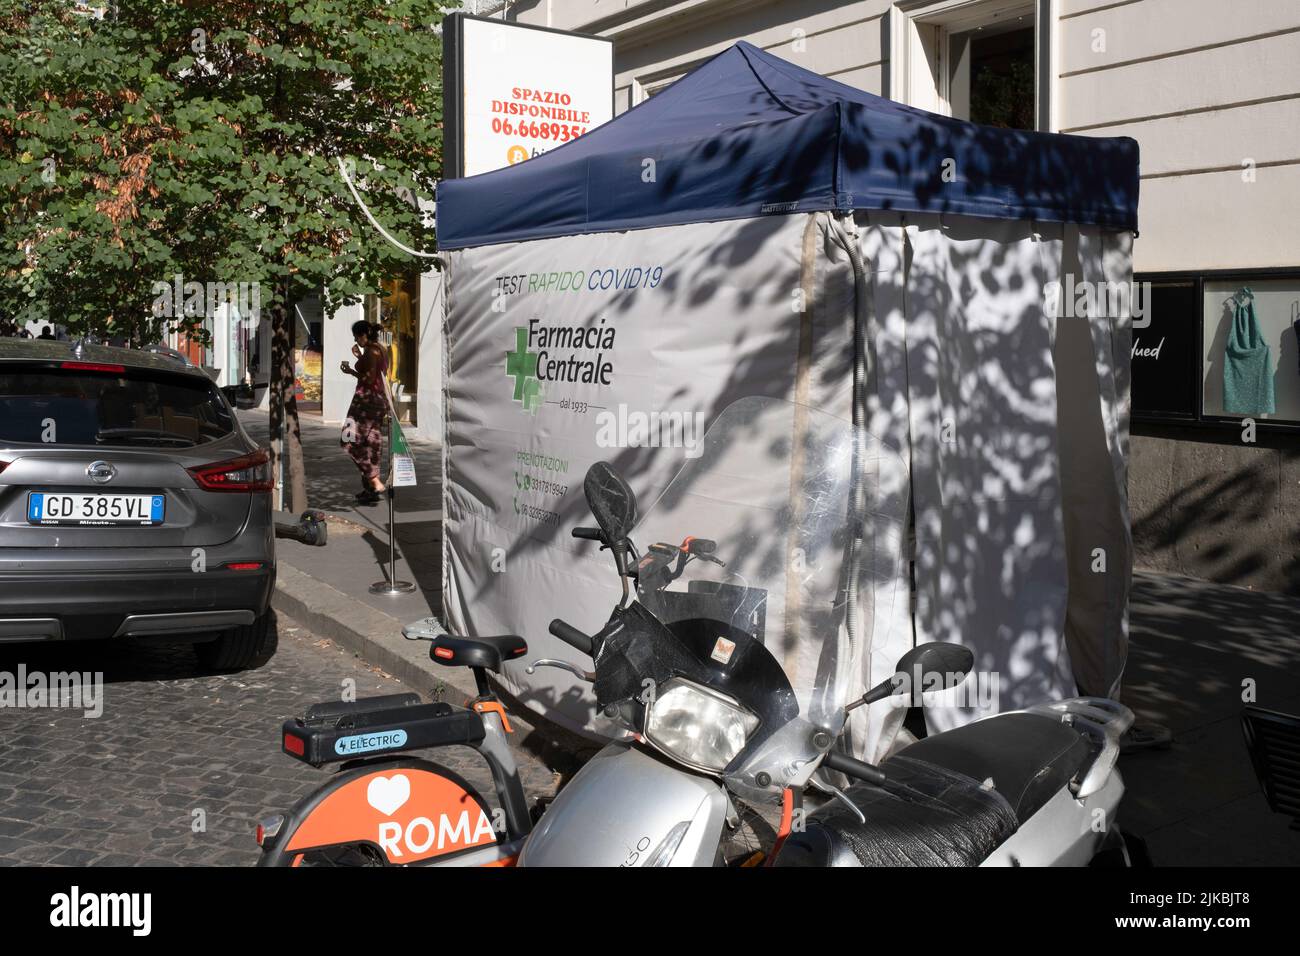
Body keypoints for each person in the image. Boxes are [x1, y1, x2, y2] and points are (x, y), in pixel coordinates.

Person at [340, 320, 390, 503]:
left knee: (348, 440)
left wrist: (351, 371)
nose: (355, 339)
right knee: (371, 443)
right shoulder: (381, 349)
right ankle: (370, 490)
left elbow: (368, 379)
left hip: (365, 401)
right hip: (379, 401)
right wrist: (359, 356)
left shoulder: (371, 351)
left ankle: (374, 480)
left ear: (363, 335)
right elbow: (376, 373)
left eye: (356, 336)